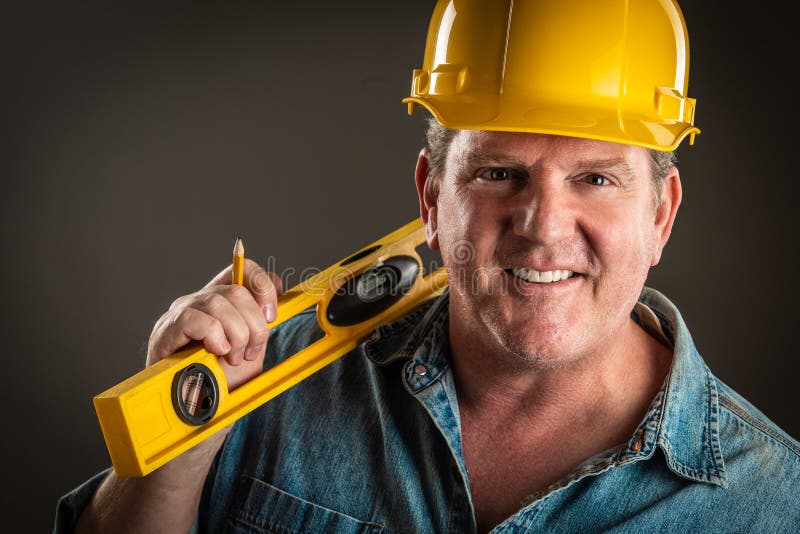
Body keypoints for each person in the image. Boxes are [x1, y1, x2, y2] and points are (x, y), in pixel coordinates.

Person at [56, 1, 800, 532]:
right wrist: (175, 459)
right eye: (499, 173)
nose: (542, 228)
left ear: (661, 213)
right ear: (431, 197)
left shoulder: (772, 504)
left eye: (596, 178)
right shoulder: (260, 380)